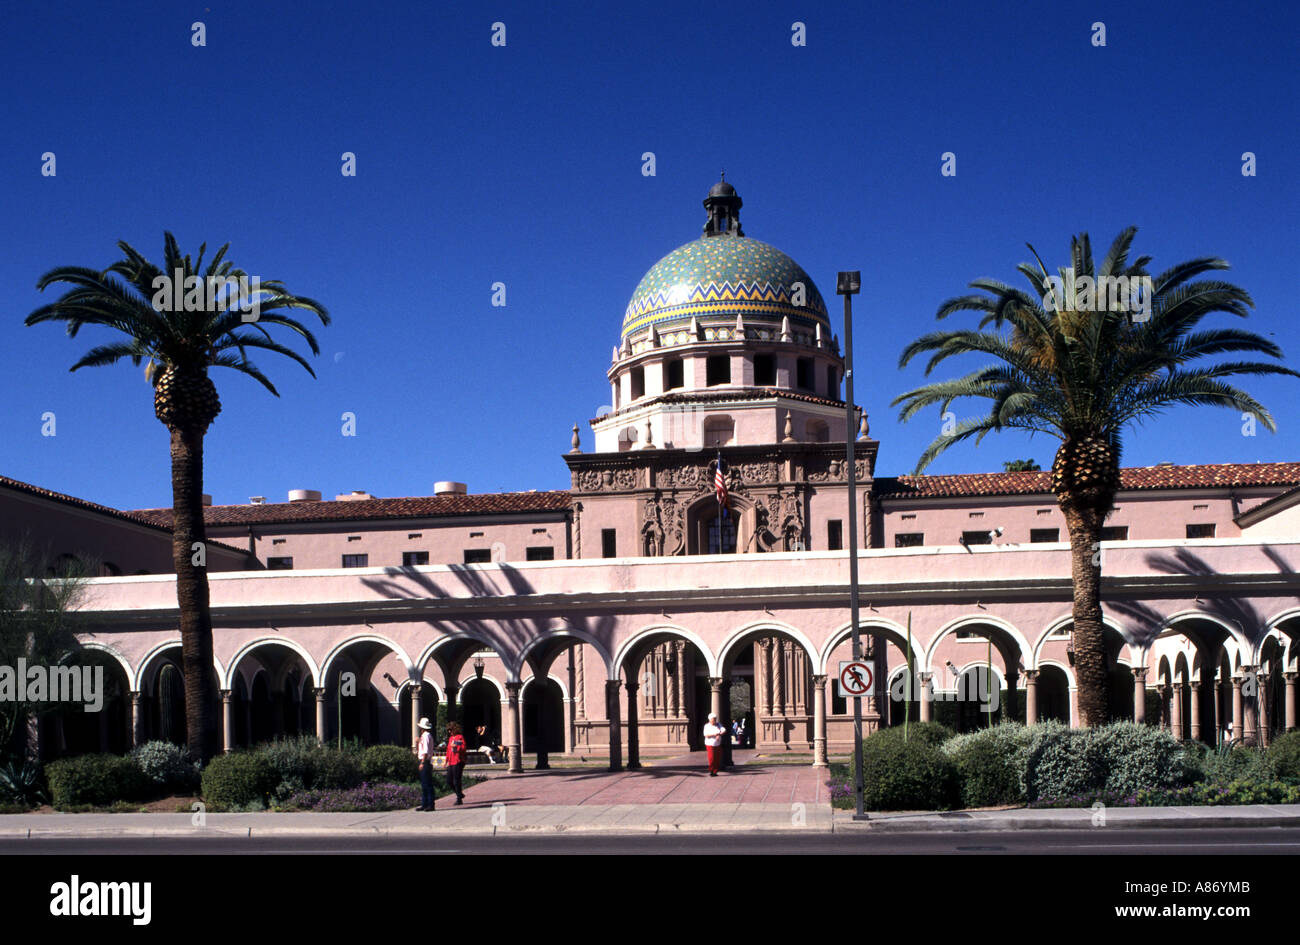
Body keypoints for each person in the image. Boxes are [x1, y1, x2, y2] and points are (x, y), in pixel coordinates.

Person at [415, 716, 436, 811]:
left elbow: (425, 751)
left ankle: (430, 804)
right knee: (424, 784)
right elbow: (421, 748)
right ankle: (425, 803)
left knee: (427, 784)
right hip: (425, 761)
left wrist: (422, 762)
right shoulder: (425, 736)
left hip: (425, 761)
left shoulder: (426, 736)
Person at [444, 721, 467, 805]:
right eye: (448, 730)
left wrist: (457, 747)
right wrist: (446, 761)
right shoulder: (450, 739)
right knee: (449, 781)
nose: (449, 732)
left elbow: (463, 748)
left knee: (456, 780)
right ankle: (459, 794)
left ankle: (459, 799)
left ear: (454, 729)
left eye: (450, 730)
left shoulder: (459, 737)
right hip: (451, 761)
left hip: (458, 761)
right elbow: (448, 750)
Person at [703, 712, 725, 776]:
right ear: (709, 720)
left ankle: (715, 771)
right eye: (713, 720)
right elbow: (706, 735)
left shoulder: (718, 724)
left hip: (717, 744)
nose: (714, 721)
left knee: (717, 758)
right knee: (711, 758)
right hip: (710, 744)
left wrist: (719, 734)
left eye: (715, 719)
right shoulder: (706, 726)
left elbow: (724, 730)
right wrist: (715, 734)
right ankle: (711, 770)